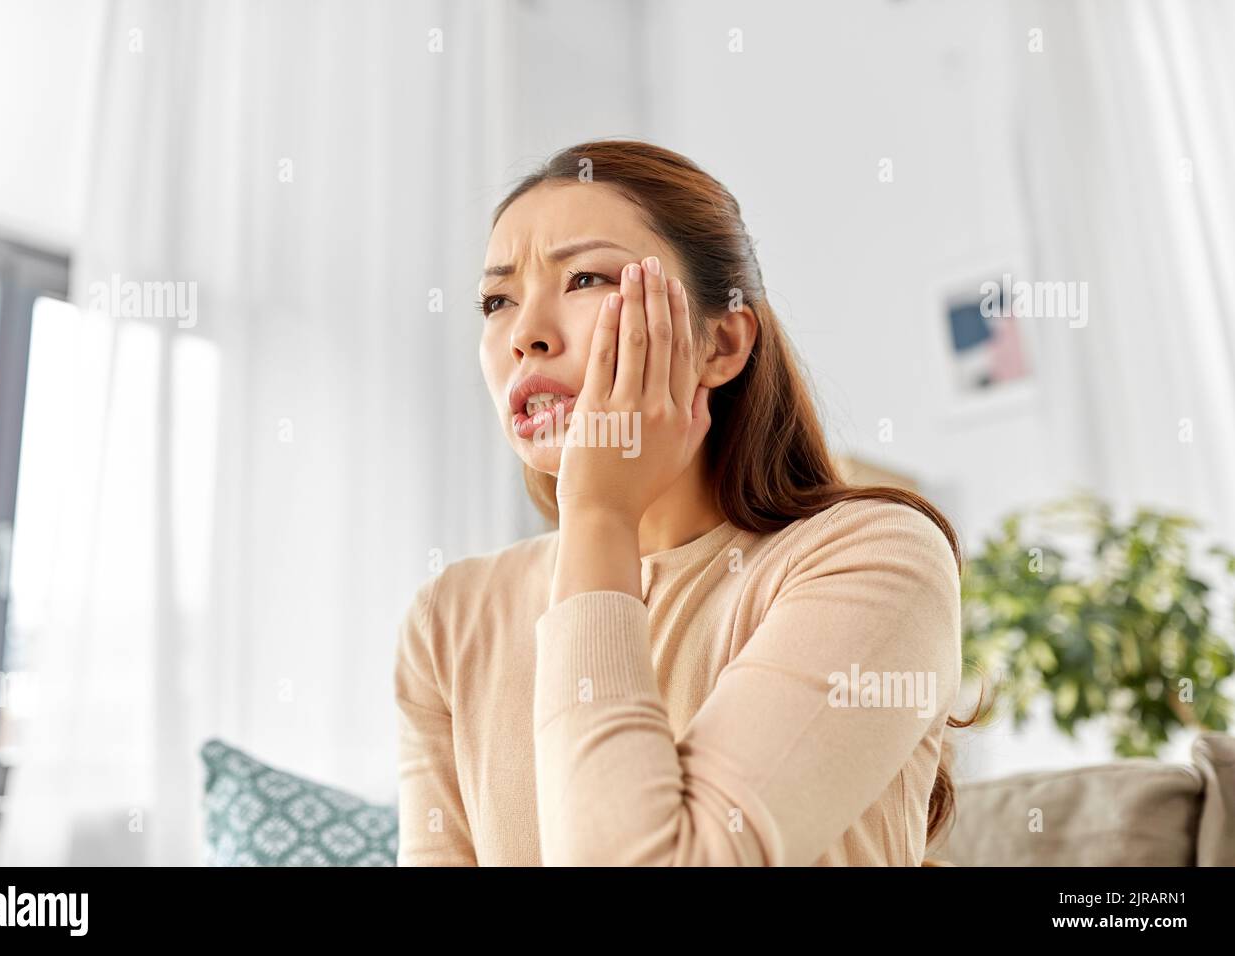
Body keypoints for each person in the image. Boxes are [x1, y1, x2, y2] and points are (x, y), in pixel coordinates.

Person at [395, 139, 978, 866]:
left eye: (585, 279)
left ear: (721, 343)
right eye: (496, 300)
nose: (525, 336)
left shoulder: (877, 557)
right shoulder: (450, 619)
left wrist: (600, 513)